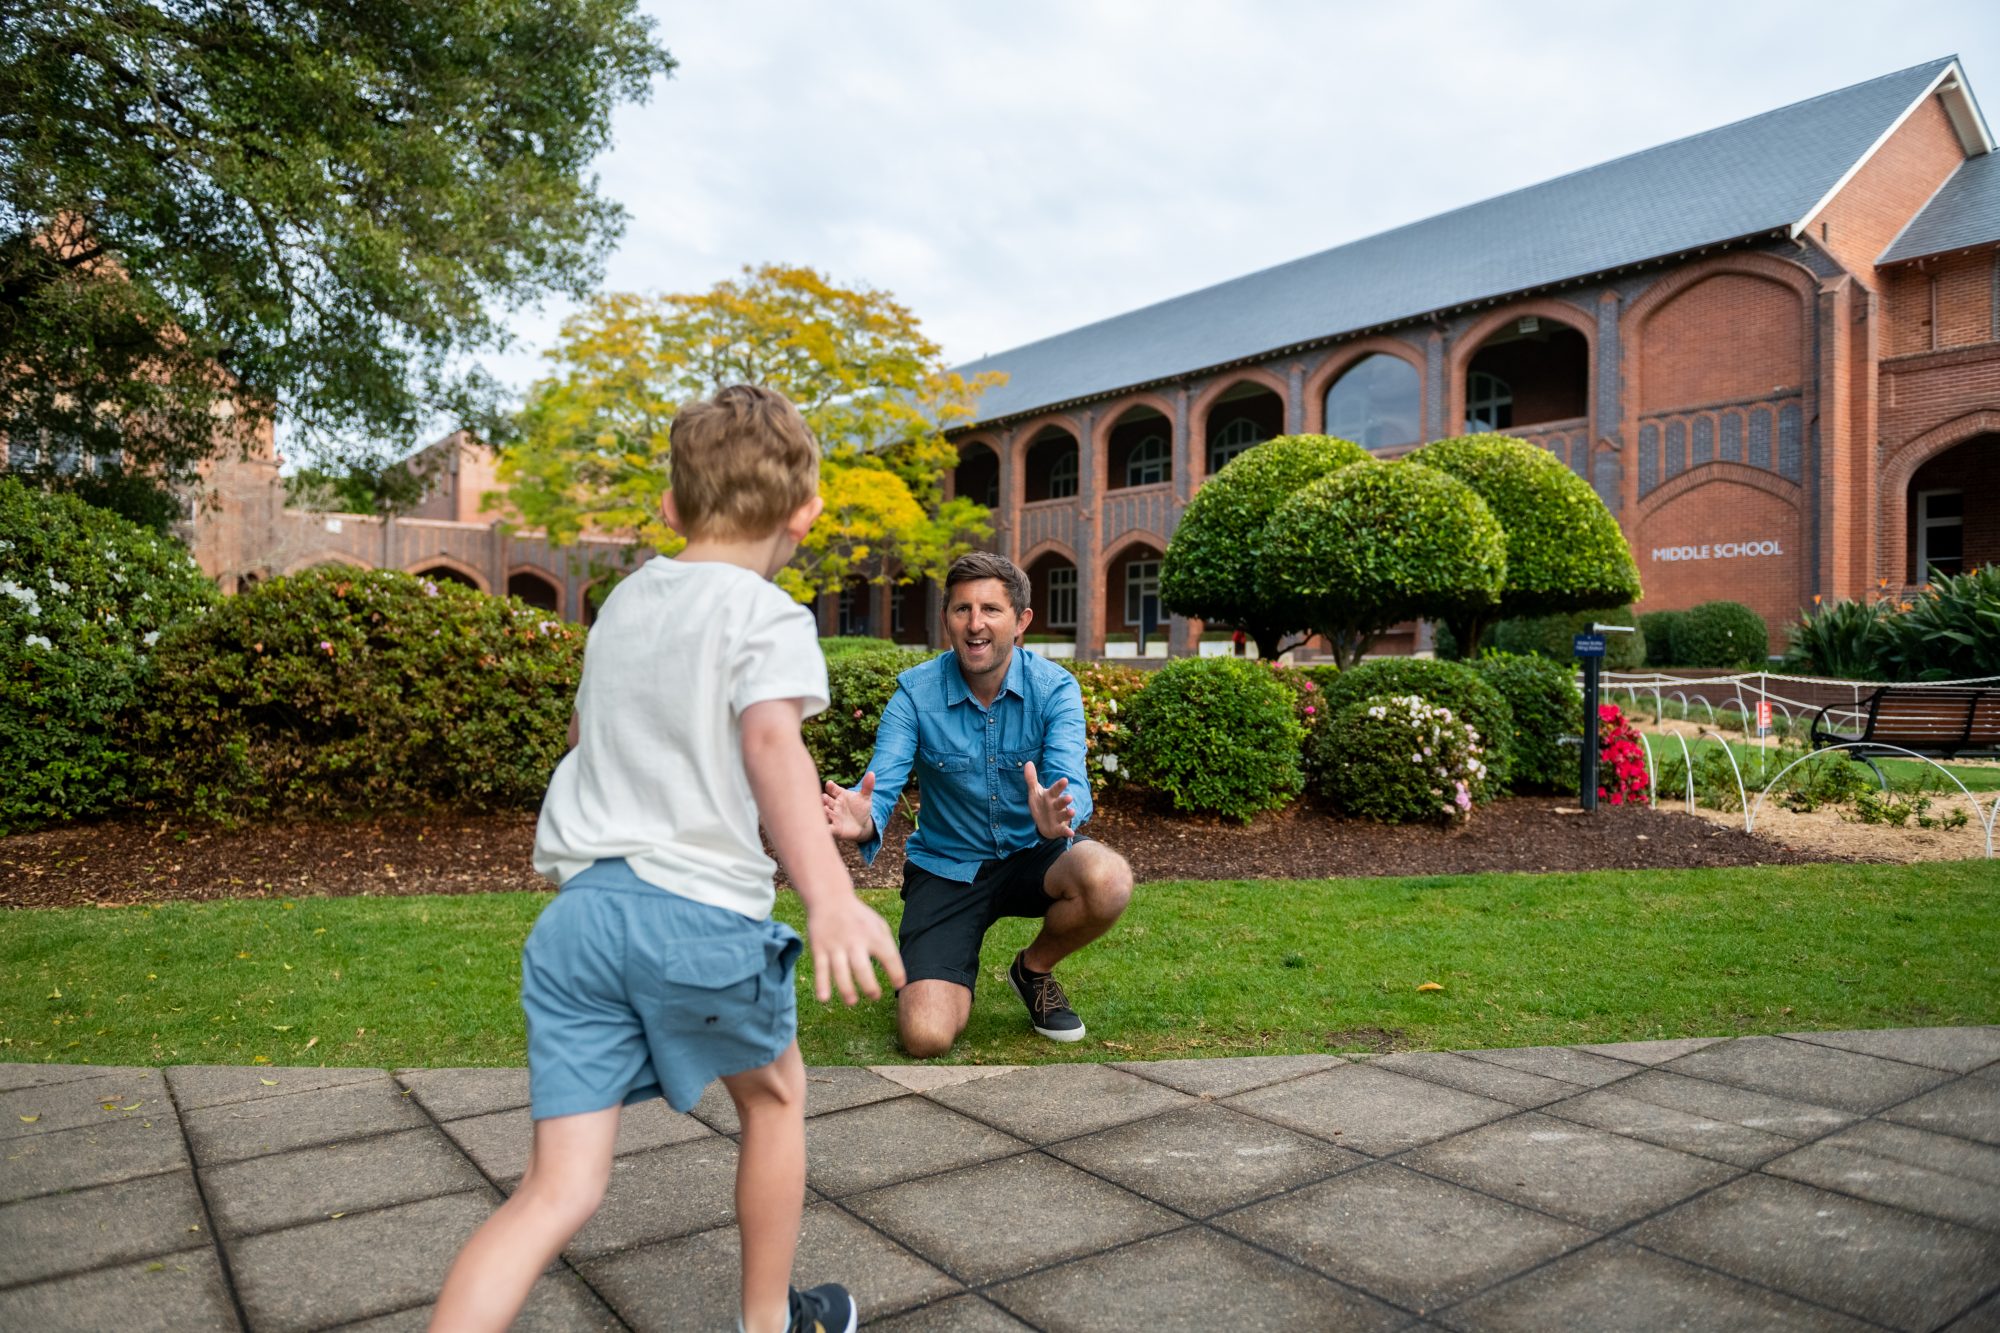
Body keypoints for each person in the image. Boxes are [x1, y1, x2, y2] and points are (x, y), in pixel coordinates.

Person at [430, 385, 904, 1333]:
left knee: (555, 1187)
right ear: (806, 513)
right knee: (774, 1098)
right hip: (696, 916)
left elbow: (583, 737)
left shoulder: (621, 607)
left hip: (579, 921)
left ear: (671, 509)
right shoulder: (768, 615)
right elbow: (774, 748)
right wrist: (829, 895)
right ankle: (769, 1322)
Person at [821, 552, 1134, 1058]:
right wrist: (865, 818)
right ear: (946, 618)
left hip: (1035, 854)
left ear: (1021, 621)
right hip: (948, 867)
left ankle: (1032, 970)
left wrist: (1060, 814)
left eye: (991, 608)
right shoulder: (914, 694)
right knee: (925, 1037)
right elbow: (882, 777)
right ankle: (931, 969)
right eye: (962, 609)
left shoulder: (1054, 690)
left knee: (1108, 877)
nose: (975, 623)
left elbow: (1067, 778)